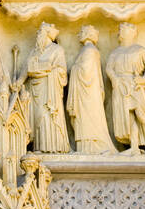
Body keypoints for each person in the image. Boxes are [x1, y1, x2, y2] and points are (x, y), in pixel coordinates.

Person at [106, 23, 145, 153]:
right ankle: (134, 146)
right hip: (120, 87)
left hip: (134, 85)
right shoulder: (115, 52)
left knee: (141, 114)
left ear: (130, 33)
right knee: (128, 117)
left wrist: (143, 79)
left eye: (122, 30)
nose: (119, 33)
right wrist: (115, 79)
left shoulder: (139, 50)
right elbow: (109, 68)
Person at [67, 25, 115, 153]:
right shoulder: (89, 50)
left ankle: (92, 148)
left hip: (87, 92)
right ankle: (86, 147)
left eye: (82, 32)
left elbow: (85, 72)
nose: (79, 35)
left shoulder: (89, 50)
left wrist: (73, 69)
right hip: (86, 91)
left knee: (89, 118)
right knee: (85, 118)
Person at [24, 23, 69, 152]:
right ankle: (39, 147)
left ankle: (54, 148)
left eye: (40, 32)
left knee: (47, 114)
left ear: (46, 34)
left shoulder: (57, 50)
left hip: (50, 89)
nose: (38, 35)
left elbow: (61, 70)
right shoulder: (35, 51)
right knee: (38, 117)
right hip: (35, 90)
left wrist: (46, 71)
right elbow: (26, 69)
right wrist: (19, 82)